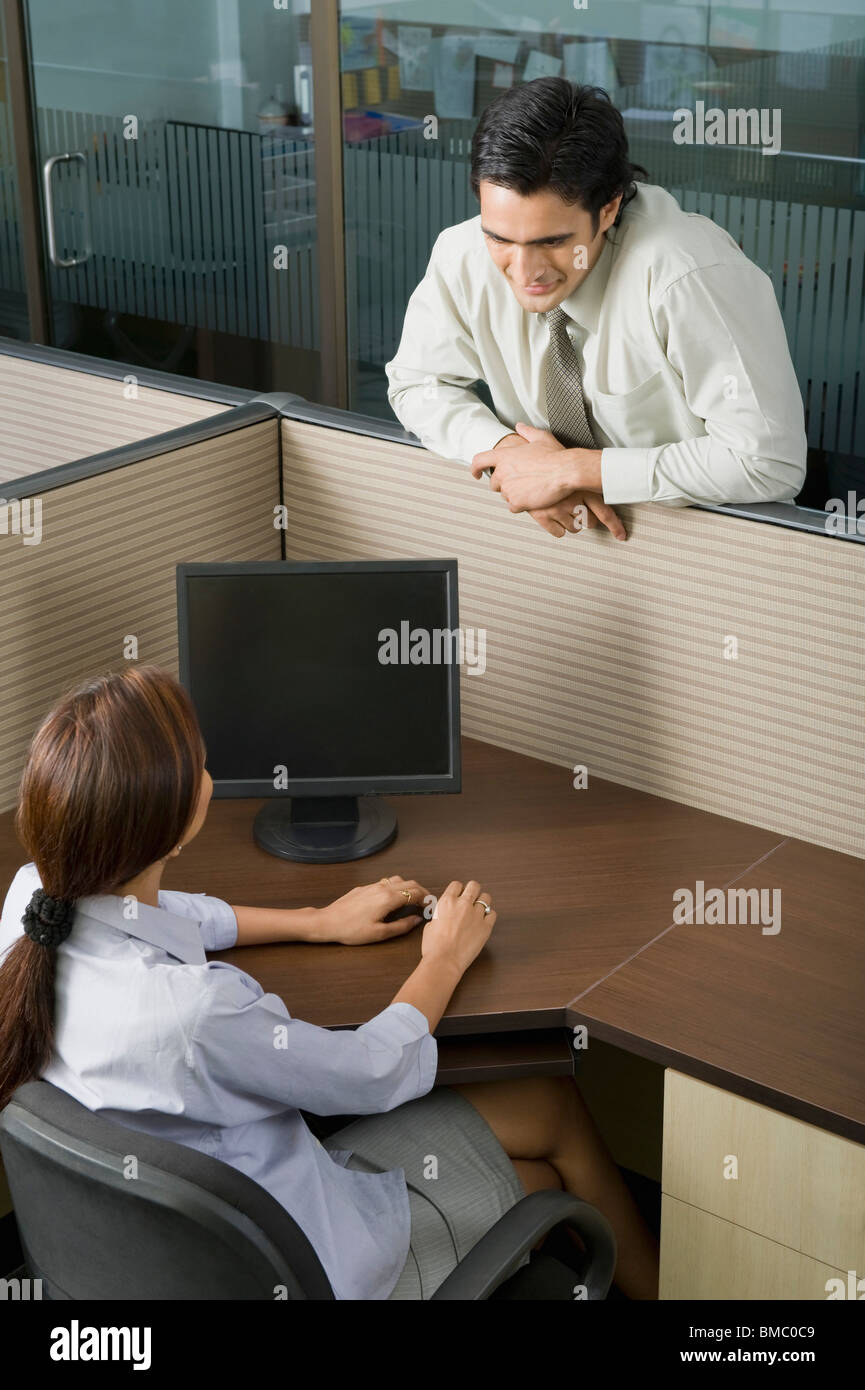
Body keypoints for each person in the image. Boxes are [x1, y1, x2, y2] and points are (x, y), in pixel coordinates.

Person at [0, 666, 658, 1301]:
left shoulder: (33, 899)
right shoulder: (198, 1013)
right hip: (302, 1264)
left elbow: (168, 913)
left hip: (181, 1253)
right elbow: (367, 1072)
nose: (208, 771)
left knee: (539, 1127)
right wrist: (443, 959)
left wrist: (316, 922)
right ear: (172, 826)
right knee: (546, 1152)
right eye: (199, 764)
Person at [386, 78, 807, 541]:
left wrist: (578, 470)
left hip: (713, 547)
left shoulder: (687, 276)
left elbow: (769, 463)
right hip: (566, 544)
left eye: (553, 241)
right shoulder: (462, 255)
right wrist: (508, 454)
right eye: (500, 238)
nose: (525, 271)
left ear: (607, 209)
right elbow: (417, 384)